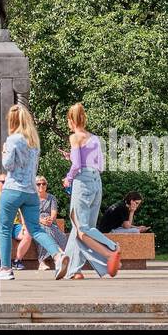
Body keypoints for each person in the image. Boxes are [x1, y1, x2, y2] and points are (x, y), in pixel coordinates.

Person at [0, 104, 67, 281]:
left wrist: (4, 152)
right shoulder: (34, 142)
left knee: (4, 228)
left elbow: (8, 165)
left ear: (12, 120)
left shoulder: (13, 139)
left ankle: (5, 269)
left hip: (13, 190)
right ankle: (58, 255)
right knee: (35, 229)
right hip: (31, 192)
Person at [61, 102, 121, 280]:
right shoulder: (94, 138)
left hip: (83, 181)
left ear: (71, 120)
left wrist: (68, 178)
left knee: (82, 227)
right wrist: (71, 157)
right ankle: (74, 270)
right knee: (81, 228)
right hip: (96, 181)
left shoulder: (75, 137)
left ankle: (112, 248)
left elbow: (78, 165)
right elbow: (99, 165)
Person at [0, 173, 31, 270]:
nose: (5, 184)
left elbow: (22, 211)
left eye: (7, 182)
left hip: (14, 225)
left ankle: (17, 261)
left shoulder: (15, 195)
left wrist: (24, 225)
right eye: (2, 182)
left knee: (28, 234)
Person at [35, 176, 67, 271]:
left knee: (59, 235)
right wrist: (41, 220)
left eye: (43, 183)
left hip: (50, 222)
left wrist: (50, 219)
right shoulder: (32, 198)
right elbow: (30, 214)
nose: (41, 185)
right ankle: (55, 257)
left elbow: (53, 213)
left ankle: (51, 259)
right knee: (44, 231)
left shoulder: (51, 198)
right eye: (38, 184)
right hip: (36, 222)